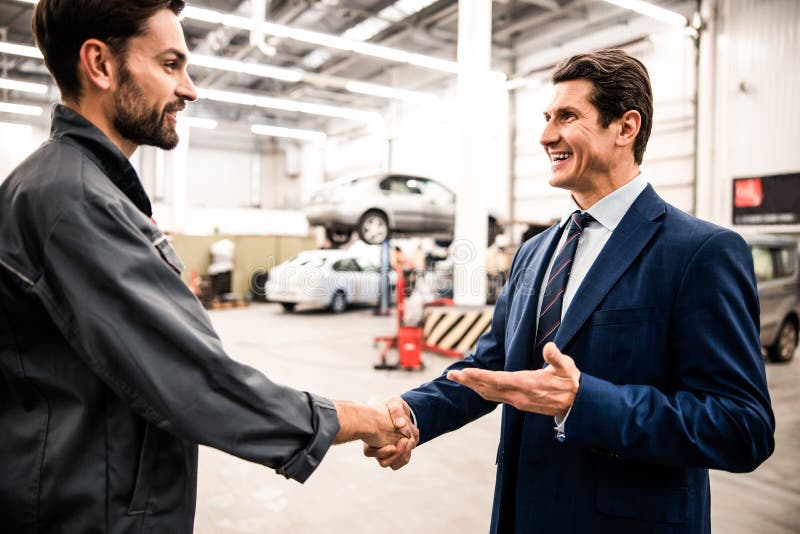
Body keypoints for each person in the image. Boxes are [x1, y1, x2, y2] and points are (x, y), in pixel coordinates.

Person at [0, 1, 414, 532]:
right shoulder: (72, 201)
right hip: (87, 513)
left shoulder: (81, 190)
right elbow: (197, 380)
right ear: (100, 65)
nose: (189, 88)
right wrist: (360, 419)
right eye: (170, 65)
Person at [367, 49, 775, 533]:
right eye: (546, 117)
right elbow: (494, 368)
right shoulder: (535, 251)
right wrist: (412, 413)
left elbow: (742, 427)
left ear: (625, 128)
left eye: (567, 117)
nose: (545, 136)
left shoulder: (700, 252)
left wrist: (584, 401)